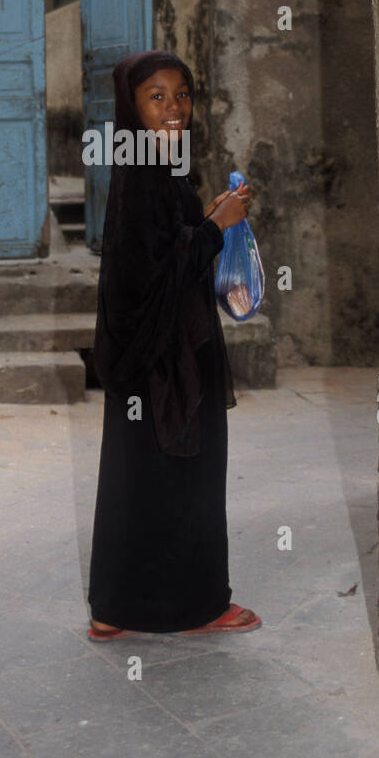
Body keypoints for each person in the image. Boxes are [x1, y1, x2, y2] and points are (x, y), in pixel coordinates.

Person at [87, 49, 261, 640]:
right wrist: (217, 228)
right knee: (188, 478)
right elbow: (151, 275)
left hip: (153, 356)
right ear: (131, 107)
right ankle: (197, 605)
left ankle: (115, 607)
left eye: (181, 94)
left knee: (136, 481)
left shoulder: (156, 165)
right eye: (156, 97)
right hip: (167, 359)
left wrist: (208, 218)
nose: (174, 109)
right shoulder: (144, 172)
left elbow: (163, 248)